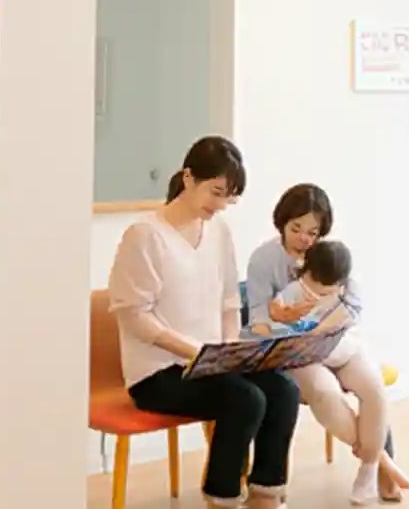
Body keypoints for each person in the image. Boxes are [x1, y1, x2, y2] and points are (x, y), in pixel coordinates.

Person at [108, 136, 299, 509]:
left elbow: (230, 300)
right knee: (244, 399)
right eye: (216, 192)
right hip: (158, 372)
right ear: (189, 178)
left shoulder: (218, 232)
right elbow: (135, 317)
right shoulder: (145, 235)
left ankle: (265, 495)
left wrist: (229, 351)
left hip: (209, 363)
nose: (221, 205)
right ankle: (222, 497)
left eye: (229, 197)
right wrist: (193, 350)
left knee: (283, 390)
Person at [246, 183, 409, 503]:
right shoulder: (265, 260)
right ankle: (381, 463)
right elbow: (257, 321)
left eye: (313, 232)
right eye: (296, 229)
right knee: (324, 392)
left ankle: (371, 469)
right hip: (296, 350)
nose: (305, 239)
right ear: (281, 222)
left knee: (373, 386)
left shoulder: (328, 254)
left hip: (339, 342)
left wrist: (325, 325)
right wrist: (285, 319)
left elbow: (353, 304)